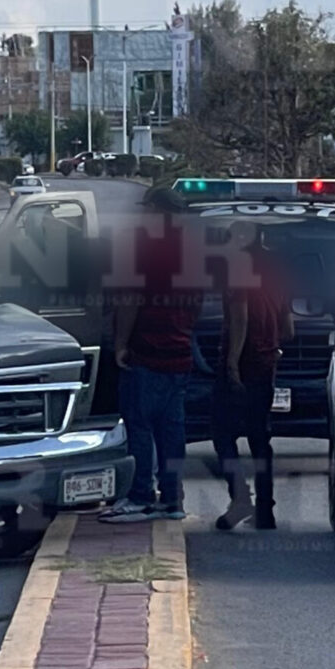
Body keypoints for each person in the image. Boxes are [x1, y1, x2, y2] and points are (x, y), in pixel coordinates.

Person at [100, 186, 201, 524]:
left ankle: (141, 495)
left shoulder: (143, 246)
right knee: (172, 429)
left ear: (158, 211)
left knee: (140, 426)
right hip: (179, 352)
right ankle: (172, 499)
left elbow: (130, 298)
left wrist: (121, 344)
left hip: (147, 351)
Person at [213, 221, 292, 531]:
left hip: (242, 364)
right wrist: (272, 348)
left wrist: (232, 361)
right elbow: (289, 328)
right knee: (260, 437)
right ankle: (265, 510)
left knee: (222, 435)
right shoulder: (278, 273)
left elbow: (240, 316)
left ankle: (240, 498)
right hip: (266, 362)